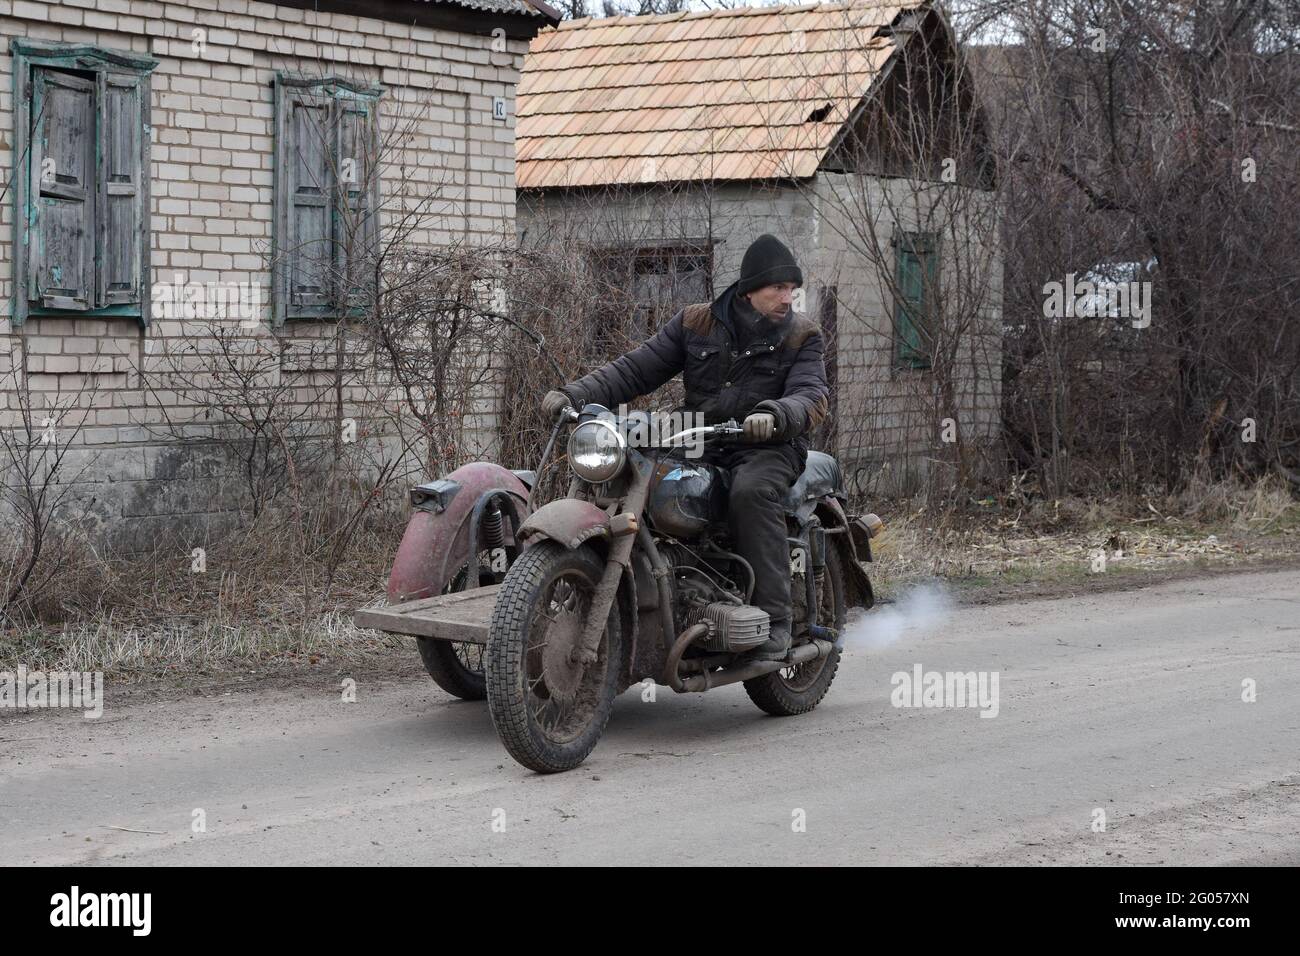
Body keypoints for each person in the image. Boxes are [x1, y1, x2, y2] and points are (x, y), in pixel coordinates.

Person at [541, 234, 830, 661]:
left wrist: (774, 414)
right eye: (778, 288)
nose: (788, 297)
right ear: (750, 288)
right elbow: (637, 369)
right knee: (642, 478)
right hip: (699, 438)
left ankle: (776, 621)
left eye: (792, 288)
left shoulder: (802, 336)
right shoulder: (695, 323)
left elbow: (812, 394)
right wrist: (575, 395)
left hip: (767, 446)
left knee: (749, 492)